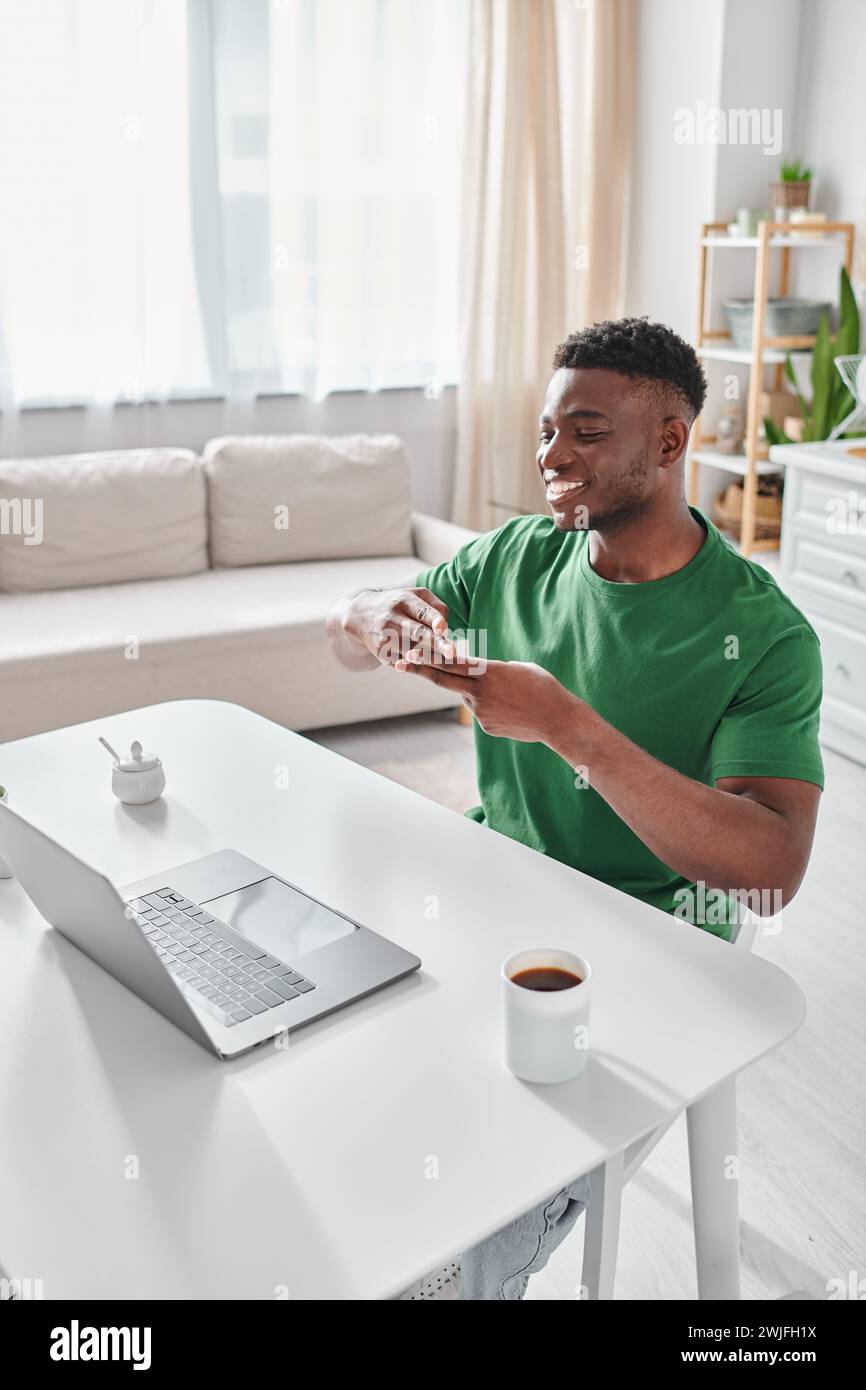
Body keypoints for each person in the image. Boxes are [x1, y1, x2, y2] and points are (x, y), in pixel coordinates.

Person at [326, 316, 824, 1299]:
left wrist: (569, 727)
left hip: (648, 952)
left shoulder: (760, 635)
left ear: (668, 442)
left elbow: (768, 870)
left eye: (585, 432)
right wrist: (366, 611)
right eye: (546, 431)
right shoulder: (513, 557)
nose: (552, 456)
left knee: (453, 1240)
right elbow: (349, 638)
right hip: (487, 901)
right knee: (335, 1090)